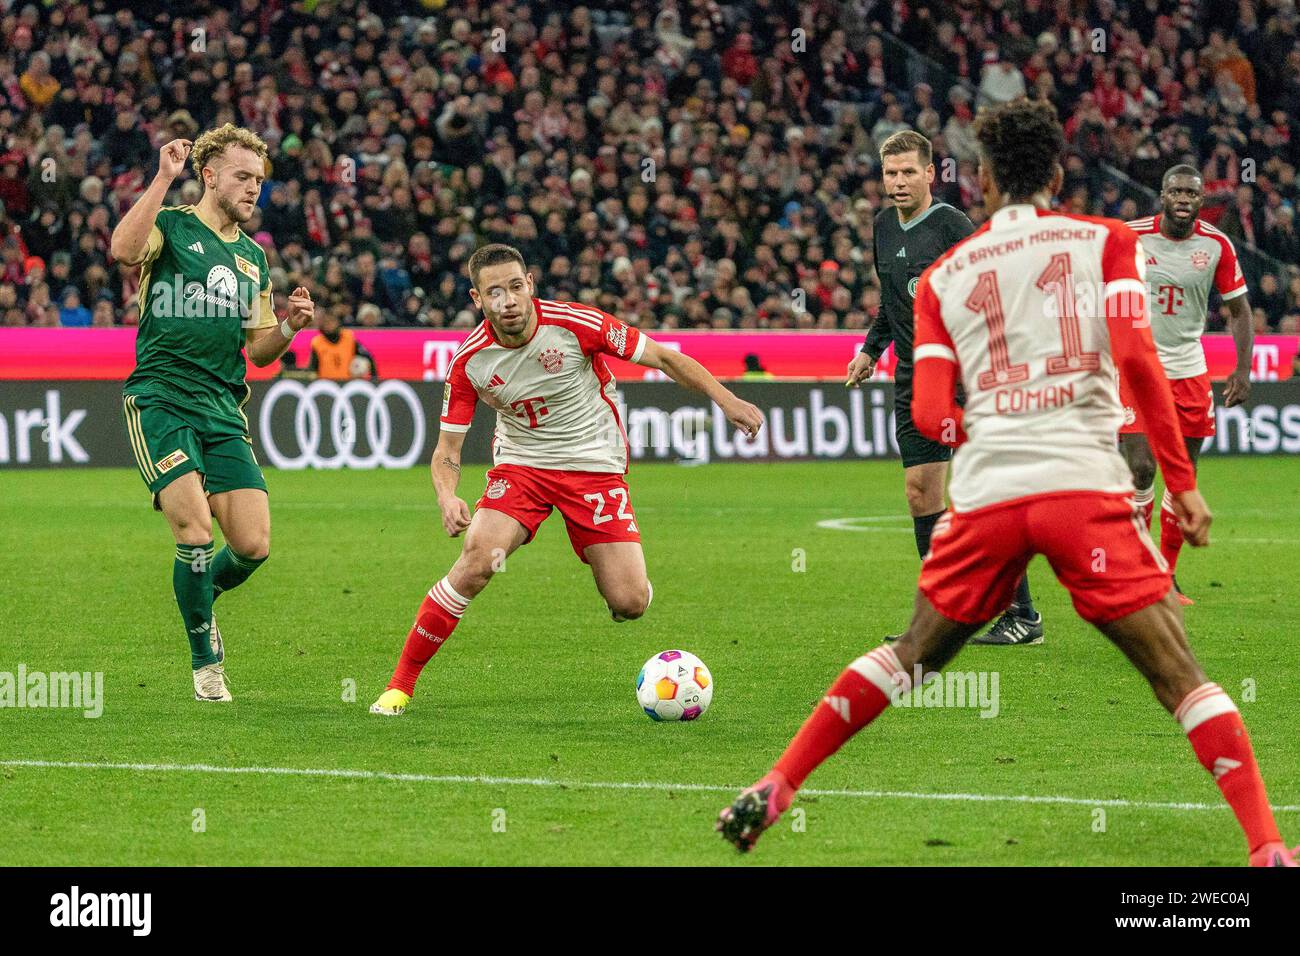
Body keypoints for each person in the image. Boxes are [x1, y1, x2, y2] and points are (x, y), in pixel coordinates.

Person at [718, 100, 1296, 868]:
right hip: (1082, 492)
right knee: (1180, 676)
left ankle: (779, 783)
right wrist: (1182, 484)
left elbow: (928, 409)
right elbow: (1137, 362)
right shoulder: (1109, 242)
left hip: (989, 496)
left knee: (910, 655)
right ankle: (1266, 849)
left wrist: (985, 431)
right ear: (1057, 173)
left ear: (982, 180)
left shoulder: (944, 273)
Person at [369, 243, 764, 716]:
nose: (509, 301)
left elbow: (663, 358)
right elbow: (447, 450)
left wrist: (726, 400)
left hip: (594, 466)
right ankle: (400, 685)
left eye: (516, 287)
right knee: (477, 560)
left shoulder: (578, 324)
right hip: (523, 468)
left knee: (630, 602)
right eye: (495, 292)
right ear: (478, 299)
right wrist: (446, 496)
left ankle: (624, 583)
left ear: (530, 284)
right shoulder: (469, 362)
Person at [109, 127, 316, 702]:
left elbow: (260, 350)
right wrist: (160, 178)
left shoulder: (252, 258)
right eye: (243, 177)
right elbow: (123, 252)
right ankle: (206, 664)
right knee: (195, 531)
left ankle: (200, 596)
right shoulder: (172, 226)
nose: (254, 188)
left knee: (252, 546)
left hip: (223, 407)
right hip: (161, 397)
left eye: (259, 180)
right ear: (210, 176)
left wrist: (292, 327)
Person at [846, 130, 1044, 647]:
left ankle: (1022, 615)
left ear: (930, 174)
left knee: (985, 494)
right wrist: (871, 348)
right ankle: (947, 615)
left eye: (909, 172)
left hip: (965, 375)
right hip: (912, 377)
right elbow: (891, 301)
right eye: (891, 173)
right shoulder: (884, 226)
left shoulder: (953, 226)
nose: (898, 182)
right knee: (920, 493)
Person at [1121, 166, 1253, 604]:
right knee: (1141, 468)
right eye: (1175, 190)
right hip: (1138, 369)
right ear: (1161, 195)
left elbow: (1239, 310)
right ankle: (1137, 569)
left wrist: (1242, 368)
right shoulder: (1130, 235)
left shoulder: (1216, 245)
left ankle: (1165, 576)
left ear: (1201, 200)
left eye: (1191, 193)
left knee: (1184, 479)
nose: (1183, 198)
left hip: (1190, 370)